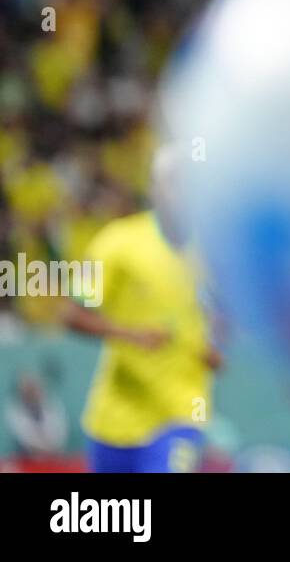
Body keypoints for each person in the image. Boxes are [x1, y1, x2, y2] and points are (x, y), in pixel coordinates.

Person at [62, 151, 222, 473]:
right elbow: (71, 314)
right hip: (116, 417)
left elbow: (222, 312)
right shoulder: (117, 242)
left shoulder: (215, 249)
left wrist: (216, 346)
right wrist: (130, 335)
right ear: (154, 189)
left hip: (183, 411)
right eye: (172, 184)